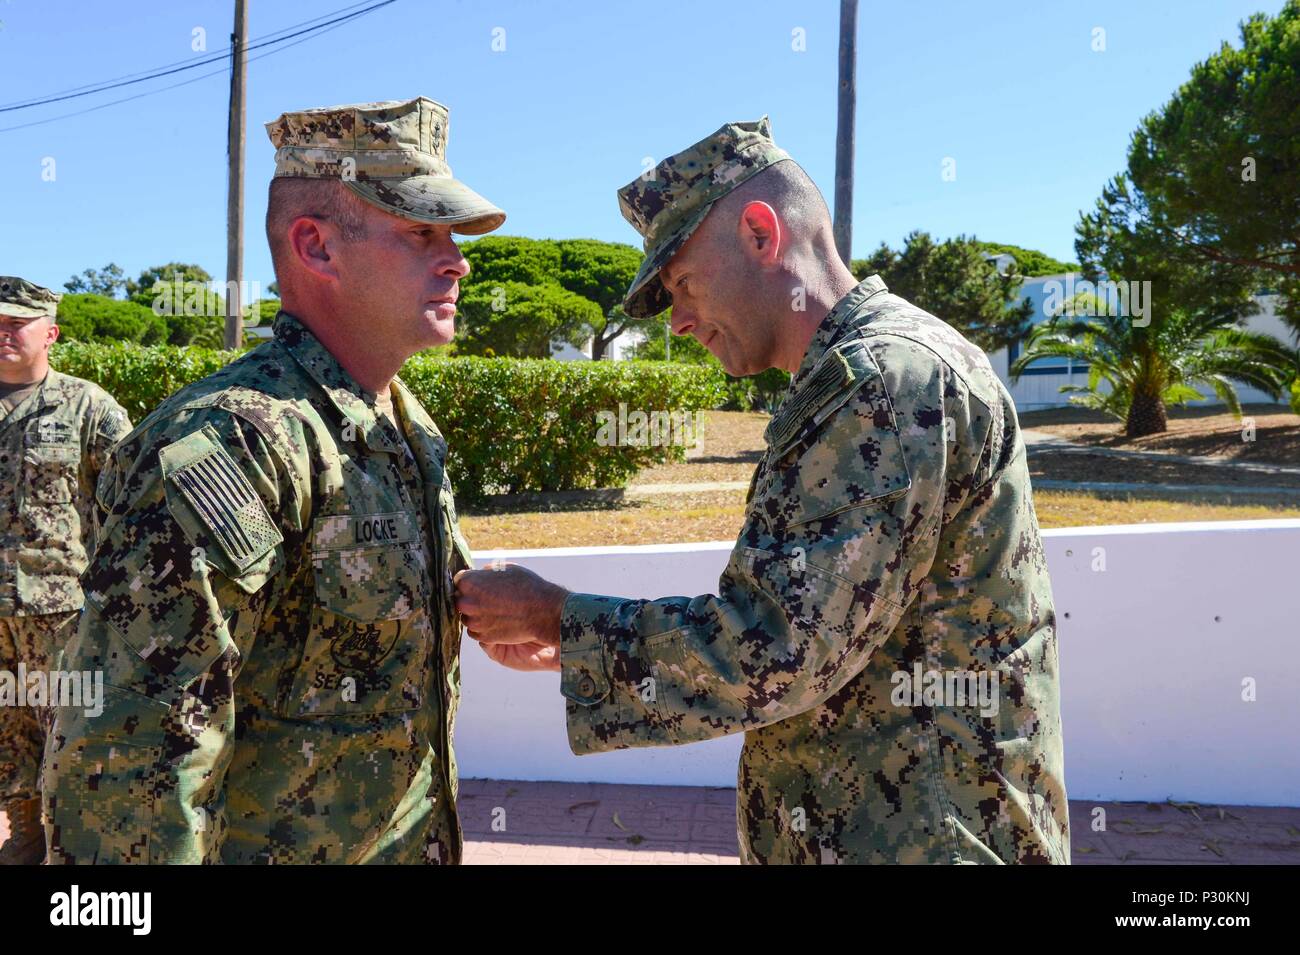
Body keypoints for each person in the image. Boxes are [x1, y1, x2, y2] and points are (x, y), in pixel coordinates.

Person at [455, 117, 1070, 864]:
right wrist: (574, 641)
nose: (679, 321)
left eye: (682, 282)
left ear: (759, 232)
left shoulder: (883, 381)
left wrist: (560, 618)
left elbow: (781, 648)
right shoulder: (849, 380)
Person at [42, 97, 502, 864]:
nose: (455, 259)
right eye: (421, 231)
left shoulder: (402, 428)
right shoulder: (232, 442)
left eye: (451, 235)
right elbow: (130, 763)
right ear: (315, 246)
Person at [0, 276, 132, 864]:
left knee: (66, 740)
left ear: (49, 333)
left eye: (15, 323)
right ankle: (23, 846)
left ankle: (70, 858)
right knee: (7, 746)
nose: (3, 333)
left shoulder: (87, 407)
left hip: (57, 615)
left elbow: (131, 505)